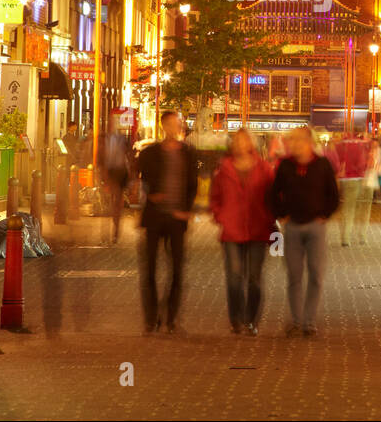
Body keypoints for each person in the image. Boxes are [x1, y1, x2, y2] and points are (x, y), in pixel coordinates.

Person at [267, 126, 340, 337]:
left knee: (316, 274)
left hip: (316, 227)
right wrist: (282, 215)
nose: (294, 144)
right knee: (294, 275)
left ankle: (309, 321)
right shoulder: (286, 166)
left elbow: (333, 195)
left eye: (298, 140)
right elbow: (274, 193)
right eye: (292, 141)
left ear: (309, 142)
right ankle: (297, 320)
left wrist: (325, 214)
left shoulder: (322, 165)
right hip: (292, 227)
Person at [134, 110, 198, 334]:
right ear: (163, 126)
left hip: (177, 218)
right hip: (154, 217)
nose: (174, 128)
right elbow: (140, 174)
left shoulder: (188, 153)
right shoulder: (151, 152)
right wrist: (151, 192)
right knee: (149, 269)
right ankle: (151, 319)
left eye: (177, 124)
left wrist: (187, 210)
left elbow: (192, 185)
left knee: (178, 269)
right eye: (169, 124)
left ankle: (171, 317)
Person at [209, 128, 275, 336]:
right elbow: (215, 195)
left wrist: (269, 217)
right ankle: (236, 319)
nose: (239, 144)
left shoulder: (264, 168)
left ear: (251, 144)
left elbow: (272, 195)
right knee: (234, 277)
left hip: (258, 228)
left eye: (243, 141)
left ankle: (251, 320)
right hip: (232, 229)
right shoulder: (224, 168)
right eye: (236, 141)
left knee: (254, 278)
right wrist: (220, 216)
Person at [100, 113, 133, 245]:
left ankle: (115, 231)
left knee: (116, 200)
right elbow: (100, 157)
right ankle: (108, 231)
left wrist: (131, 174)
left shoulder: (122, 139)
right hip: (109, 171)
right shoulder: (103, 138)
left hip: (119, 172)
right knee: (107, 201)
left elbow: (129, 155)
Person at [335, 130, 371, 246]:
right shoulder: (362, 144)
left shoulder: (341, 144)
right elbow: (363, 162)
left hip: (345, 180)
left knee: (347, 207)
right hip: (359, 178)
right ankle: (362, 236)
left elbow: (336, 162)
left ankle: (345, 237)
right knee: (362, 208)